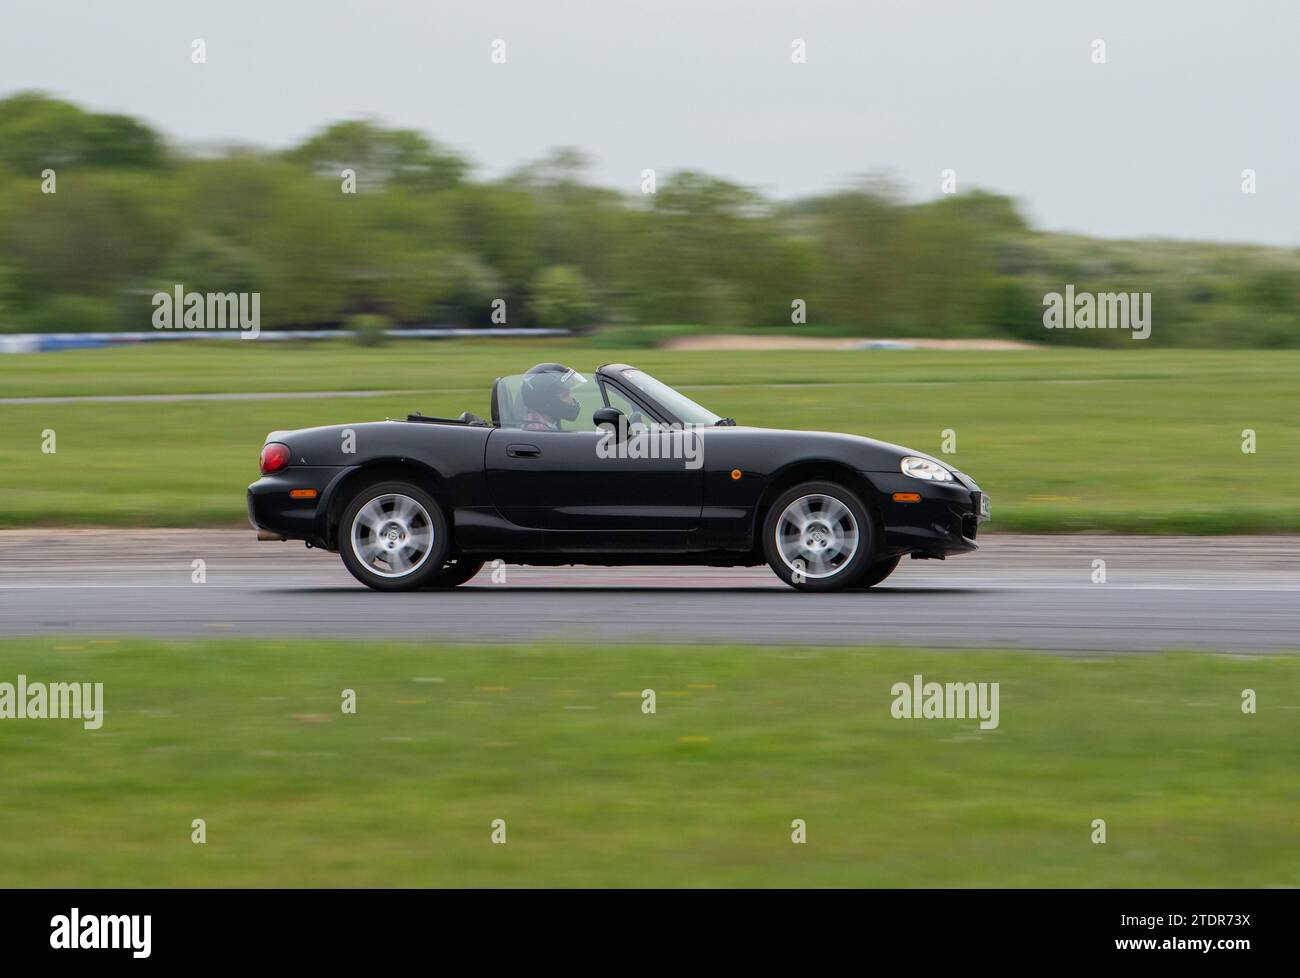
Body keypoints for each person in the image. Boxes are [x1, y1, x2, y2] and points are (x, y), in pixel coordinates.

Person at [519, 363, 586, 431]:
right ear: (546, 401)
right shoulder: (539, 431)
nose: (571, 400)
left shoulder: (549, 424)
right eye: (565, 395)